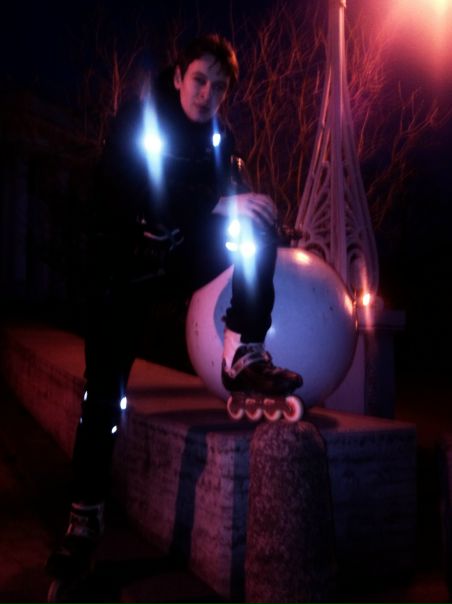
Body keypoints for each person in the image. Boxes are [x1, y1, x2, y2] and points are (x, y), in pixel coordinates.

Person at [47, 33, 302, 577]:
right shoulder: (141, 121)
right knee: (104, 398)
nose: (207, 95)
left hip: (175, 258)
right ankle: (83, 518)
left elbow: (227, 203)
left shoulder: (219, 139)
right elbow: (134, 193)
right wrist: (221, 202)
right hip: (121, 271)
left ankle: (243, 350)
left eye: (219, 87)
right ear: (179, 75)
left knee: (255, 233)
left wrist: (250, 206)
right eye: (199, 80)